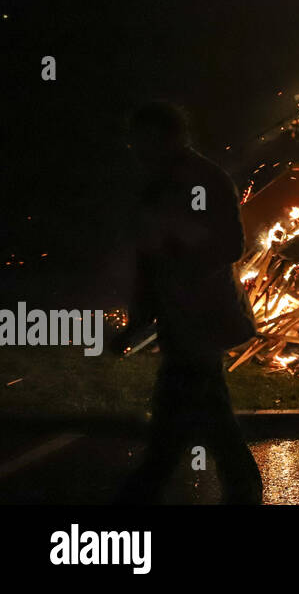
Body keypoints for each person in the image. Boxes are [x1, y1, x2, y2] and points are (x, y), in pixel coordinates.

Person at [114, 101, 262, 504]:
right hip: (181, 318)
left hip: (201, 315)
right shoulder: (157, 186)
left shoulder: (203, 182)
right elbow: (149, 260)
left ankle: (147, 489)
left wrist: (183, 246)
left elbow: (229, 245)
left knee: (188, 407)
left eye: (143, 139)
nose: (136, 149)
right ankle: (238, 487)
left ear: (169, 136)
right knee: (197, 409)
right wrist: (138, 319)